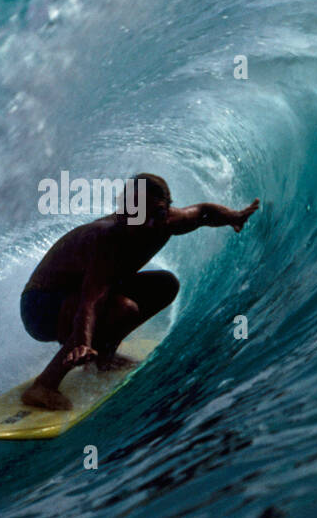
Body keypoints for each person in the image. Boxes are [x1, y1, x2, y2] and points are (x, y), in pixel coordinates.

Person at [19, 173, 259, 410]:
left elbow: (204, 212)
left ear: (167, 208)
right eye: (141, 214)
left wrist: (233, 217)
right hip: (40, 307)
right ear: (125, 214)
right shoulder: (106, 238)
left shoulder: (168, 222)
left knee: (165, 285)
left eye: (158, 212)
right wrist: (83, 342)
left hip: (77, 296)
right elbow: (91, 301)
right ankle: (44, 385)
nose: (151, 222)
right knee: (123, 309)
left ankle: (104, 358)